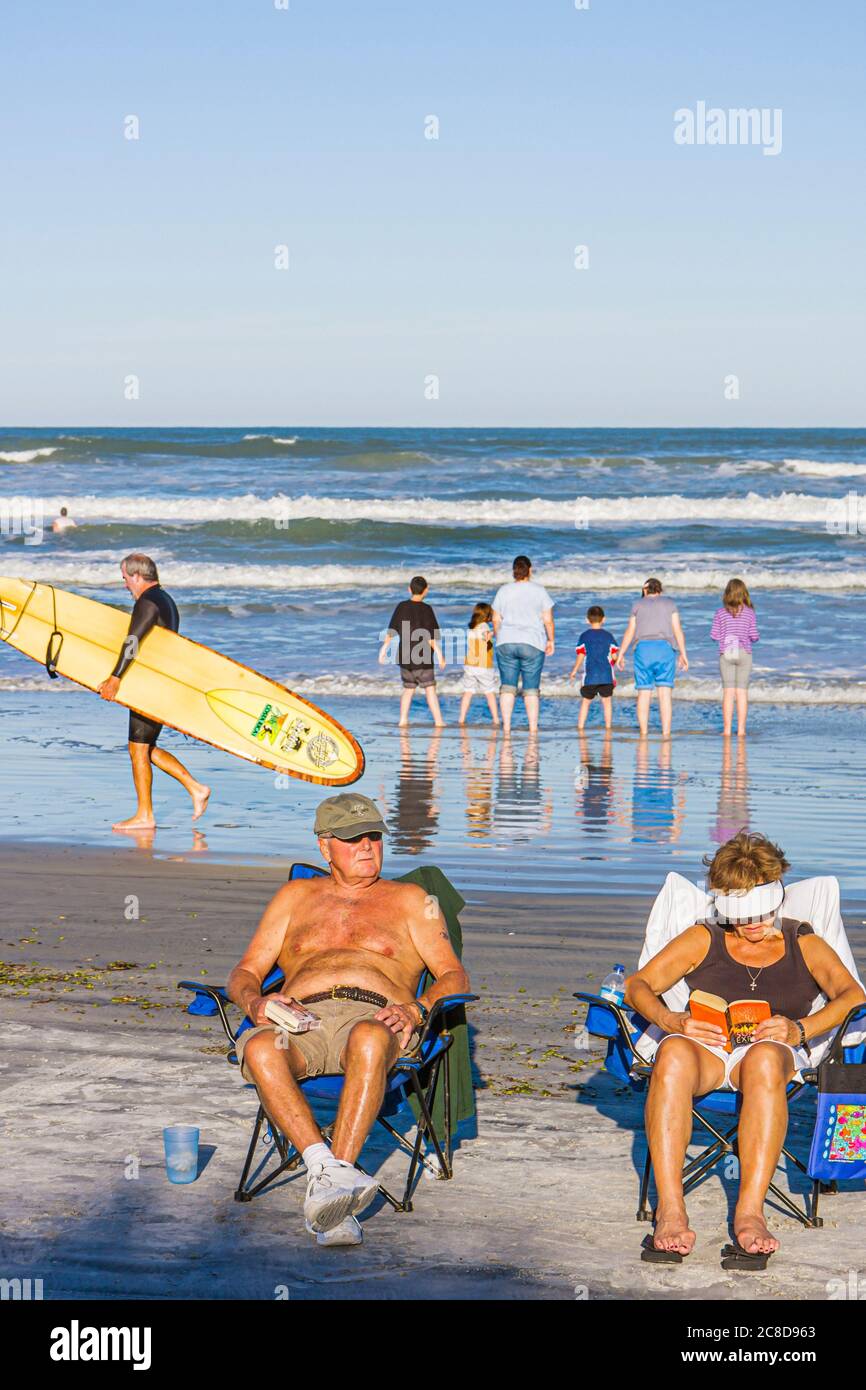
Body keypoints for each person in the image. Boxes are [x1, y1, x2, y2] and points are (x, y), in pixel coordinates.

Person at [227, 793, 470, 1247]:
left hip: (378, 1016)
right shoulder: (295, 896)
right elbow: (244, 973)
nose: (367, 847)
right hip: (301, 1019)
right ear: (324, 847)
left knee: (368, 1038)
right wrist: (256, 1005)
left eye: (374, 837)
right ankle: (329, 1174)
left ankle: (331, 1179)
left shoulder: (413, 899)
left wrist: (416, 1009)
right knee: (261, 1046)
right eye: (353, 839)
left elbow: (454, 976)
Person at [624, 831, 865, 1259]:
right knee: (673, 1051)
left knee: (767, 1057)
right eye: (740, 916)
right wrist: (669, 1018)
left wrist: (801, 1030)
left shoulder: (802, 940)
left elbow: (853, 995)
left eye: (759, 914)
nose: (750, 925)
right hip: (709, 1051)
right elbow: (638, 985)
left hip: (770, 1053)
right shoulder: (704, 937)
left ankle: (750, 1213)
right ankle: (671, 1211)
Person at [97, 553, 211, 831]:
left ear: (137, 576)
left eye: (125, 578)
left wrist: (115, 677)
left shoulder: (147, 602)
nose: (125, 585)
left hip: (152, 687)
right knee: (142, 748)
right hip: (159, 683)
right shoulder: (165, 599)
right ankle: (194, 787)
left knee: (138, 748)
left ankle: (146, 815)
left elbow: (133, 641)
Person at [616, 578, 688, 738]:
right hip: (665, 650)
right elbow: (677, 630)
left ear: (645, 590)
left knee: (644, 693)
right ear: (660, 591)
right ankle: (666, 733)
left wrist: (620, 654)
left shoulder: (638, 604)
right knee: (664, 694)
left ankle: (643, 732)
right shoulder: (670, 604)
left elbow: (630, 631)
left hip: (643, 650)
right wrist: (683, 654)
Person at [491, 556, 554, 736]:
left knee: (508, 687)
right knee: (531, 689)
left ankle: (507, 728)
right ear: (530, 570)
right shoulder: (540, 591)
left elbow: (496, 619)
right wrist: (551, 640)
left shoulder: (503, 590)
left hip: (506, 642)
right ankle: (533, 729)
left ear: (514, 571)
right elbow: (548, 620)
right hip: (532, 642)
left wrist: (499, 636)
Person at [379, 576, 446, 727]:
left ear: (409, 589)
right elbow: (431, 637)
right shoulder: (427, 609)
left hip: (405, 658)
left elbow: (391, 631)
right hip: (423, 658)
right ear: (426, 590)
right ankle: (439, 721)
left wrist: (384, 649)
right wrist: (440, 654)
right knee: (430, 689)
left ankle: (403, 719)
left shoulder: (401, 606)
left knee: (408, 690)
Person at [711, 578, 759, 738]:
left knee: (728, 693)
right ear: (744, 593)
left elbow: (714, 635)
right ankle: (741, 730)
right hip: (744, 652)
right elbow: (754, 635)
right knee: (742, 693)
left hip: (727, 651)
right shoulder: (750, 612)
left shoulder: (720, 612)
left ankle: (726, 730)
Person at [569, 604, 619, 731]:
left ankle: (580, 727)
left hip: (590, 677)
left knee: (585, 702)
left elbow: (581, 655)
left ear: (587, 620)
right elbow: (614, 656)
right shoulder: (609, 636)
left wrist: (574, 670)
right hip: (606, 676)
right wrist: (616, 661)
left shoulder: (584, 636)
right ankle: (608, 728)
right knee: (607, 702)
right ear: (604, 619)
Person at [458, 601, 500, 726]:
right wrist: (495, 631)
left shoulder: (472, 628)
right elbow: (486, 636)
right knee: (489, 692)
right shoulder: (484, 627)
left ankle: (461, 718)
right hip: (483, 665)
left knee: (468, 692)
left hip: (470, 665)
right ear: (487, 616)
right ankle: (496, 719)